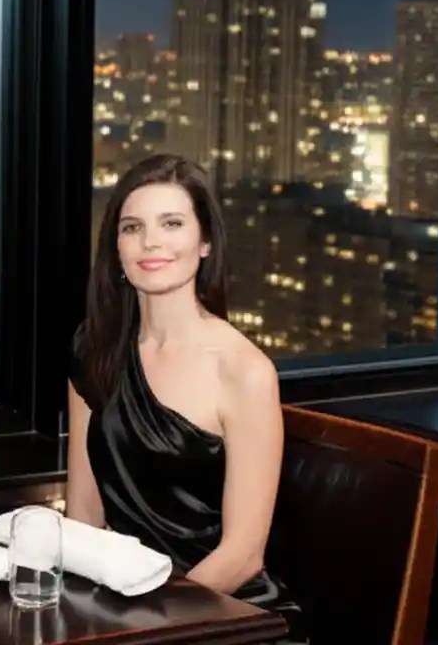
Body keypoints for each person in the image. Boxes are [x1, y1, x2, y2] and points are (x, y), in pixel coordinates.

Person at [65, 154, 307, 642]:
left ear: (204, 242)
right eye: (132, 227)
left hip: (224, 616)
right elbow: (84, 518)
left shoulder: (245, 371)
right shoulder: (93, 350)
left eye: (171, 223)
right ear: (116, 249)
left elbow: (242, 556)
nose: (150, 241)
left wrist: (149, 627)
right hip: (123, 610)